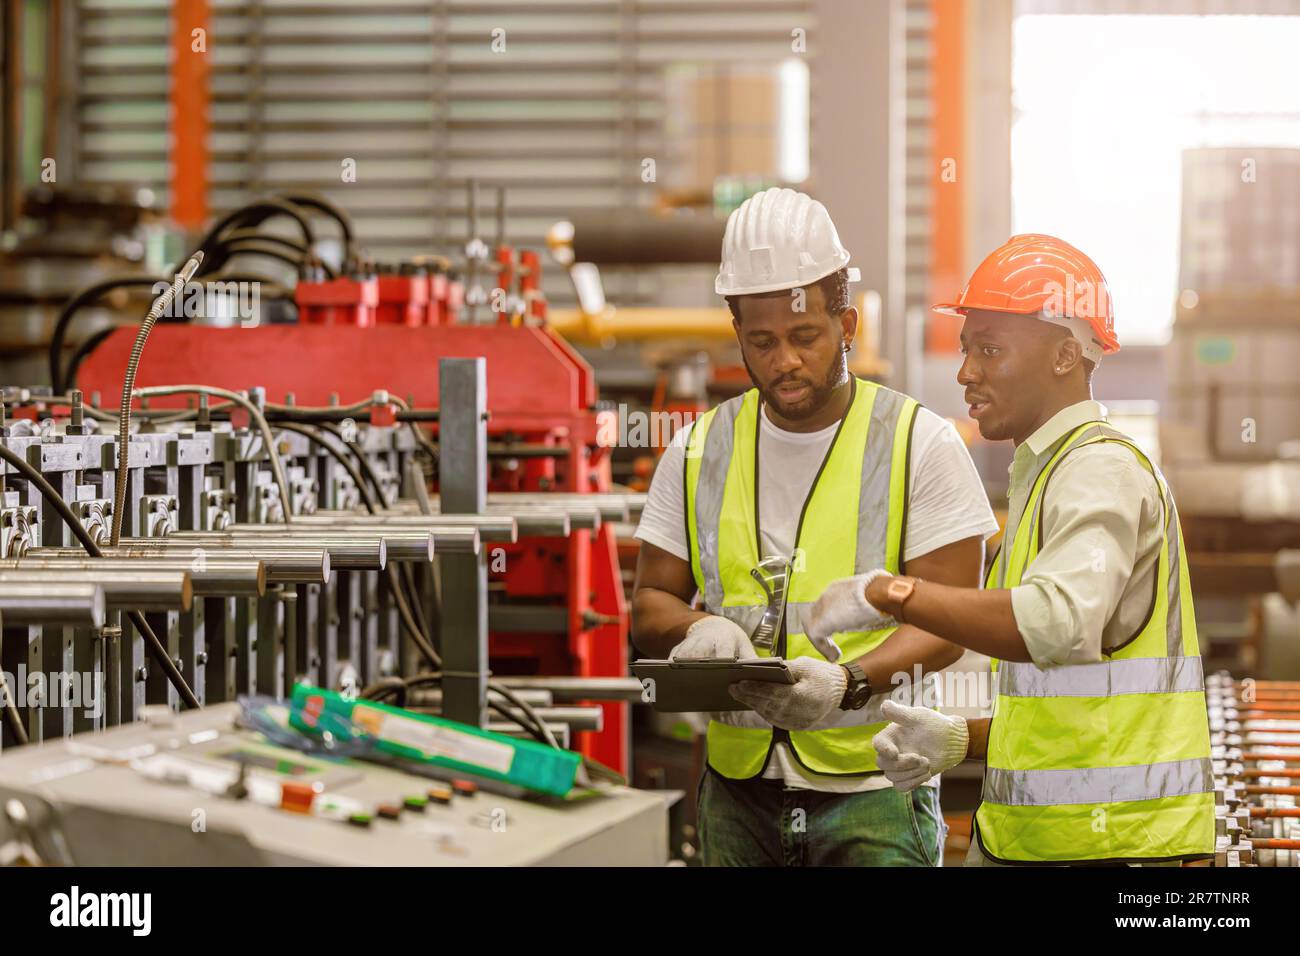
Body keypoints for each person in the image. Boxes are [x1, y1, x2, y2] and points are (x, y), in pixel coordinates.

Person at [802, 234, 1214, 866]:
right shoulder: (1047, 475)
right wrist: (960, 741)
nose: (966, 371)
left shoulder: (1099, 472)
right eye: (967, 350)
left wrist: (892, 593)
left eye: (990, 349)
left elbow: (1055, 624)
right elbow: (1072, 711)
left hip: (1110, 852)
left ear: (1066, 354)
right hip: (1056, 846)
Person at [631, 187, 999, 866]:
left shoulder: (919, 441)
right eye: (761, 341)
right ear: (736, 331)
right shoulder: (697, 449)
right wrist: (698, 629)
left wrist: (848, 683)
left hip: (874, 791)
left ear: (846, 322)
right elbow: (650, 603)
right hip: (737, 788)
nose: (785, 362)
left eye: (804, 337)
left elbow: (956, 621)